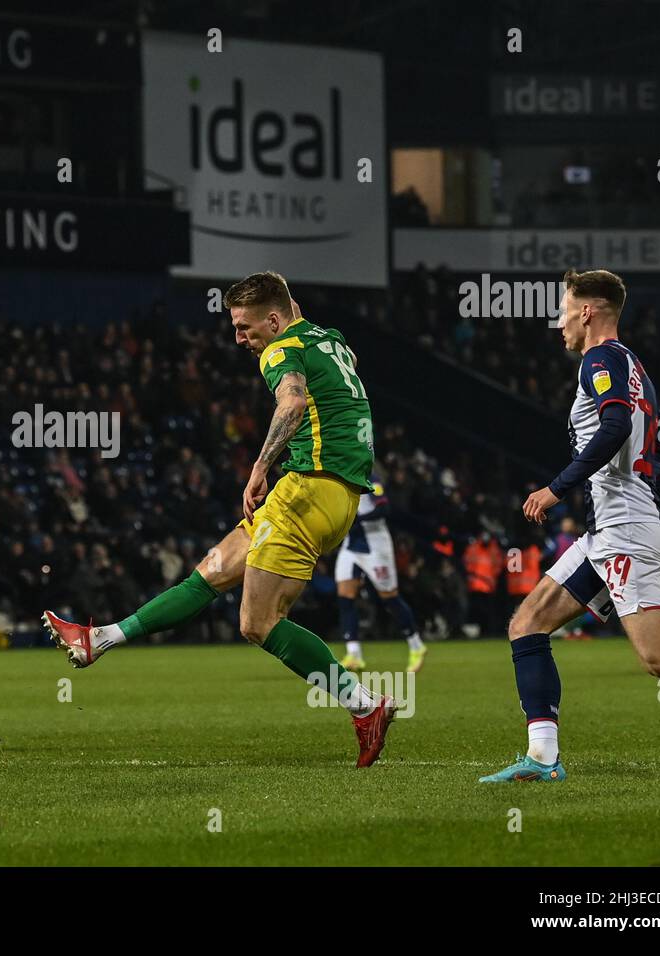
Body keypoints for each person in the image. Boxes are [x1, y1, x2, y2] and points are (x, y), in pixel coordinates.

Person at [43, 272, 396, 767]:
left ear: (273, 320)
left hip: (308, 487)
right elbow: (338, 366)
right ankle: (99, 639)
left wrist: (258, 467)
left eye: (246, 327)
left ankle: (365, 706)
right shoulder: (326, 337)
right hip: (336, 490)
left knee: (258, 623)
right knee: (213, 570)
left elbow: (292, 401)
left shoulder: (279, 350)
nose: (240, 339)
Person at [481, 269, 660, 783]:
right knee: (527, 623)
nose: (560, 321)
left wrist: (557, 487)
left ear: (587, 311)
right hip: (608, 531)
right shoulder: (636, 370)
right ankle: (542, 758)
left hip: (622, 532)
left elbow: (613, 426)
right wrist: (644, 492)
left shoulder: (601, 359)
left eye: (565, 309)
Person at [334, 471, 428, 672]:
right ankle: (354, 654)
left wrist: (356, 520)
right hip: (351, 545)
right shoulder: (338, 476)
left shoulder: (369, 477)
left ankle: (416, 645)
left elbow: (384, 508)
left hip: (376, 545)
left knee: (390, 598)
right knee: (345, 596)